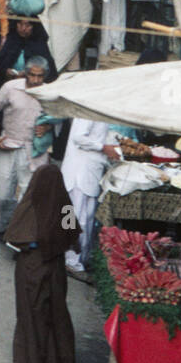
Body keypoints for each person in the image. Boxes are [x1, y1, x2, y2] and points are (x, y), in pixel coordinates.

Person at [4, 163, 77, 363]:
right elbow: (73, 237)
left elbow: (14, 237)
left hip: (37, 266)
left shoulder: (35, 204)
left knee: (39, 312)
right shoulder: (61, 205)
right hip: (41, 266)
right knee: (39, 311)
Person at [0, 59, 50, 240]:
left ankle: (19, 236)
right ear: (25, 73)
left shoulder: (49, 93)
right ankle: (4, 225)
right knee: (2, 195)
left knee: (28, 198)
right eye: (32, 75)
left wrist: (48, 127)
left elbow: (59, 118)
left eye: (40, 76)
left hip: (34, 151)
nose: (36, 80)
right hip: (8, 145)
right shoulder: (10, 88)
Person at [59, 117, 120, 279]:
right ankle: (72, 262)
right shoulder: (87, 113)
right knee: (77, 220)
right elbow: (78, 137)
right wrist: (103, 147)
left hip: (88, 172)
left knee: (81, 219)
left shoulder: (97, 112)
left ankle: (78, 260)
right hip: (80, 174)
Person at [0, 15, 57, 99]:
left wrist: (28, 74)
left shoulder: (39, 45)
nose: (23, 28)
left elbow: (48, 73)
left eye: (27, 25)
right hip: (10, 88)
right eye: (20, 24)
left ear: (33, 27)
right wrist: (5, 71)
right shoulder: (10, 41)